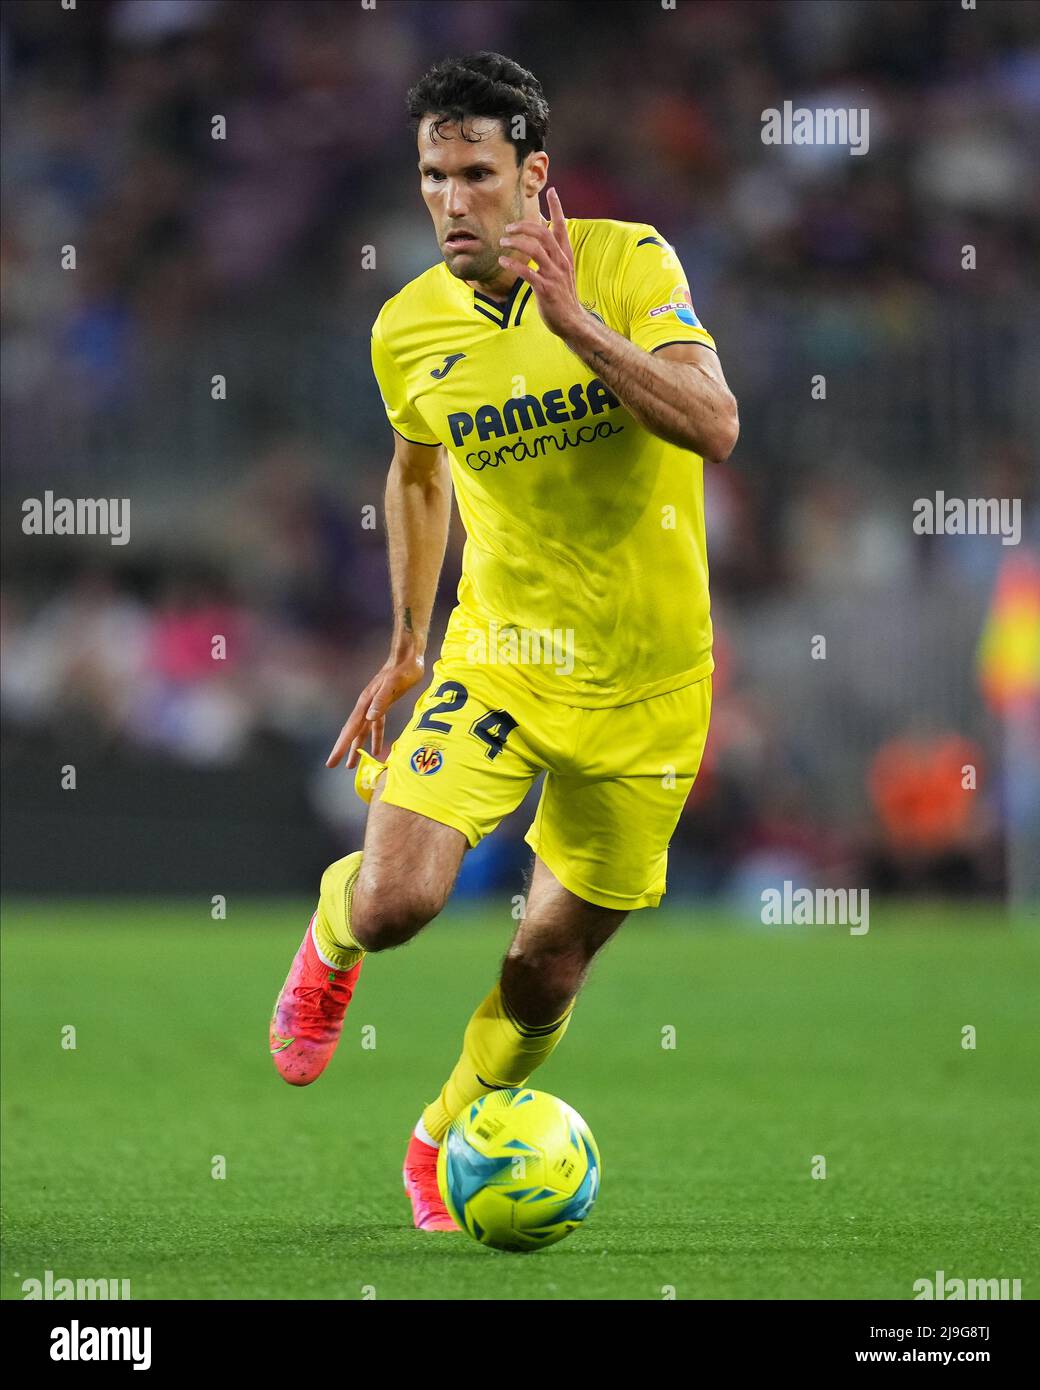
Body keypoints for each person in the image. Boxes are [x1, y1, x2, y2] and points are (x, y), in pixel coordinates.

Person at [269, 51, 738, 1231]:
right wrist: (404, 642)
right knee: (396, 905)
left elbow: (714, 425)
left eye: (476, 173)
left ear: (535, 177)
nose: (450, 200)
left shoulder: (631, 265)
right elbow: (416, 470)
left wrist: (574, 321)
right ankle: (335, 924)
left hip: (649, 684)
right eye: (432, 174)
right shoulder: (406, 329)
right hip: (499, 656)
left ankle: (440, 1134)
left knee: (545, 965)